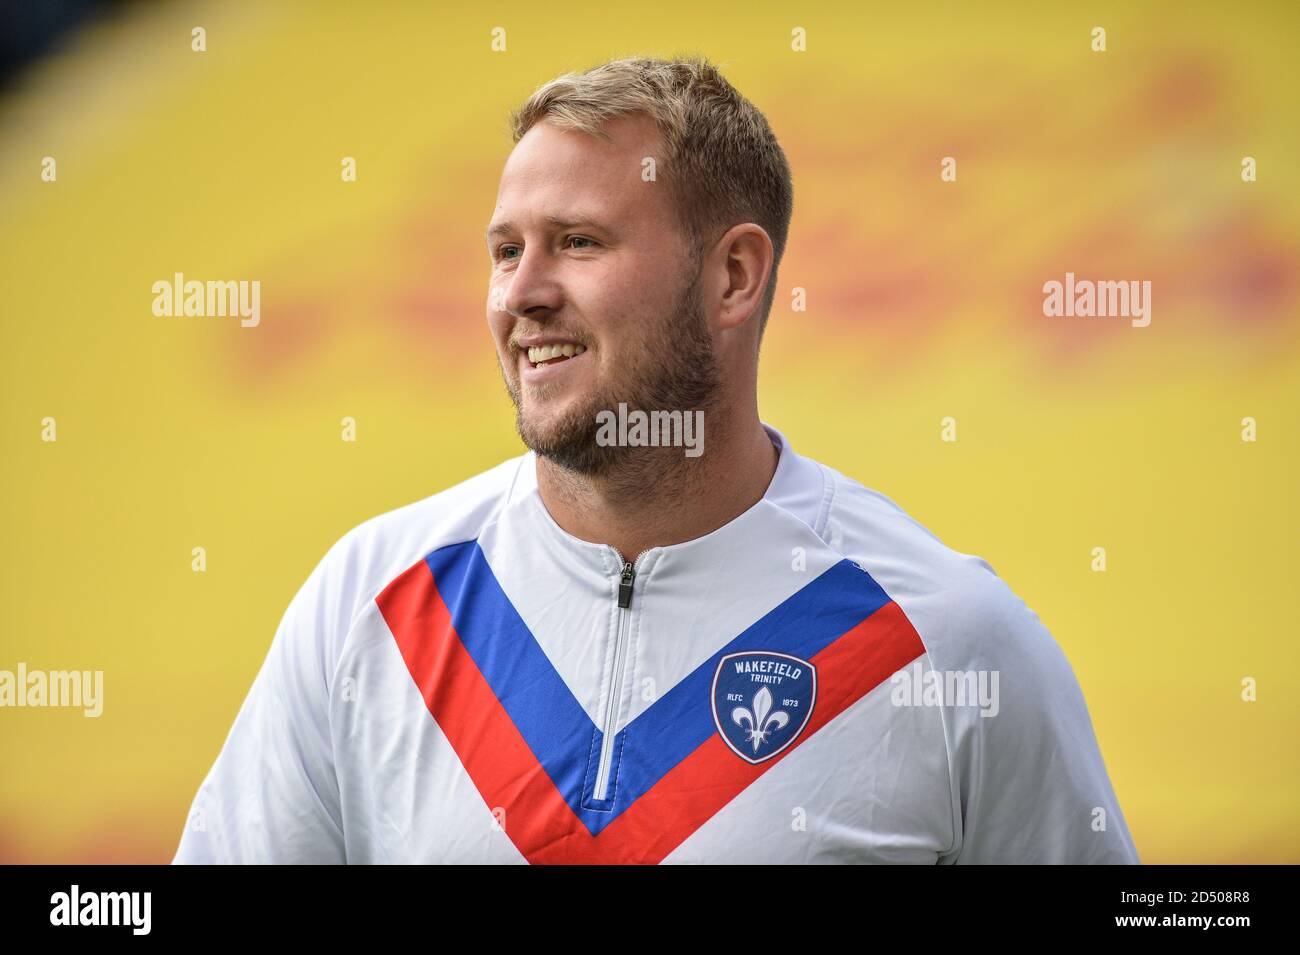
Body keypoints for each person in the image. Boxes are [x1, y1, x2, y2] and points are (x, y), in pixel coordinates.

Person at [172, 54, 1139, 864]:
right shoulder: (370, 606)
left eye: (577, 242)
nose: (523, 295)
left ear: (733, 276)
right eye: (505, 251)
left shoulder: (949, 641)